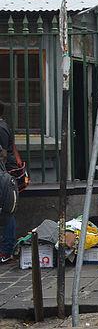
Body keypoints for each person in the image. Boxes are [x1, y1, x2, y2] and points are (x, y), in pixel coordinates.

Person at [0, 101, 17, 263]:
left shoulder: (1, 128)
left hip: (4, 176)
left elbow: (4, 155)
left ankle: (6, 250)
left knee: (7, 211)